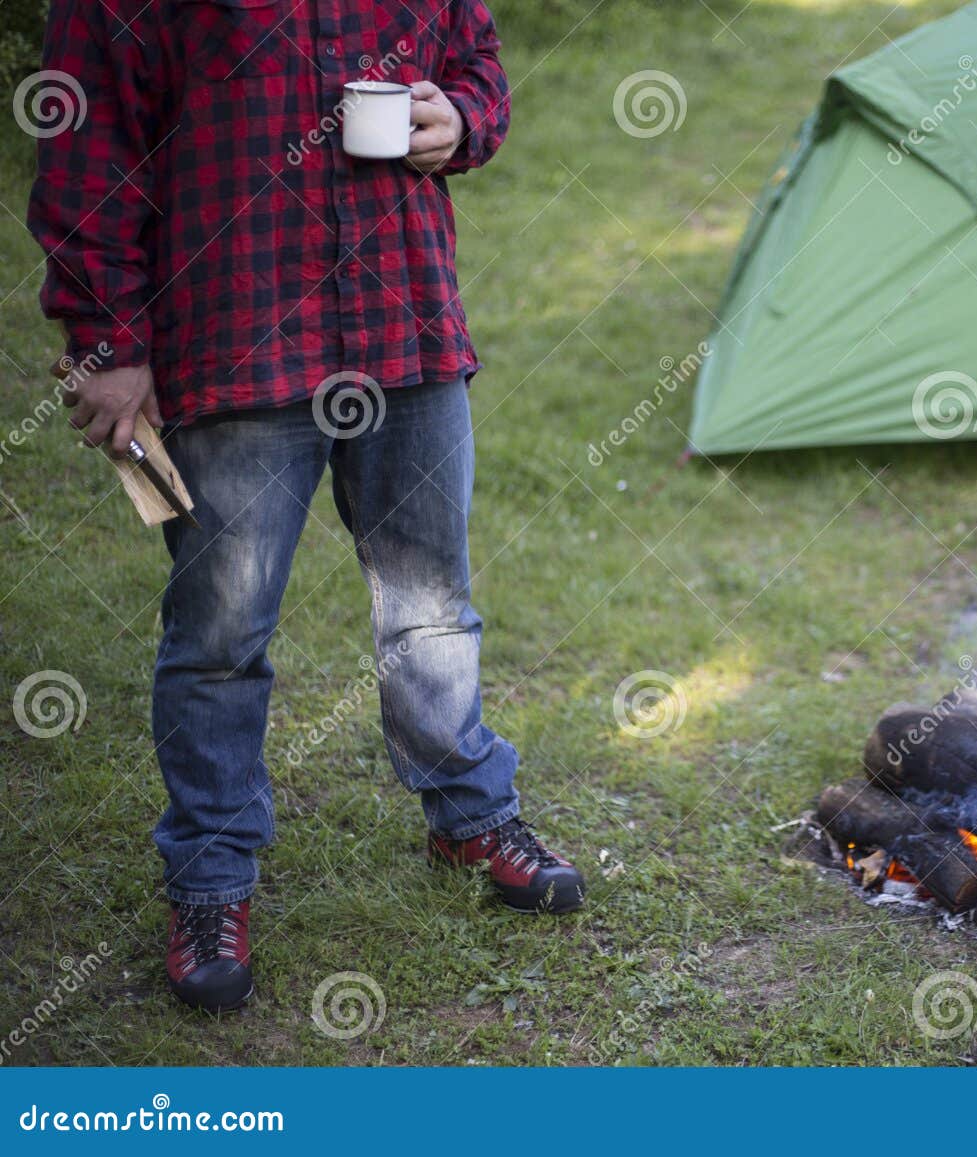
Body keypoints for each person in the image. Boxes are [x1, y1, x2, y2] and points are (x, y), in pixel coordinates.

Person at [28, 0, 583, 1016]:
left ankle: (468, 814)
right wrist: (106, 338)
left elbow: (477, 66)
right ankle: (208, 880)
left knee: (432, 606)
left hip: (404, 326)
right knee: (220, 636)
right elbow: (87, 140)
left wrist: (460, 120)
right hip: (236, 337)